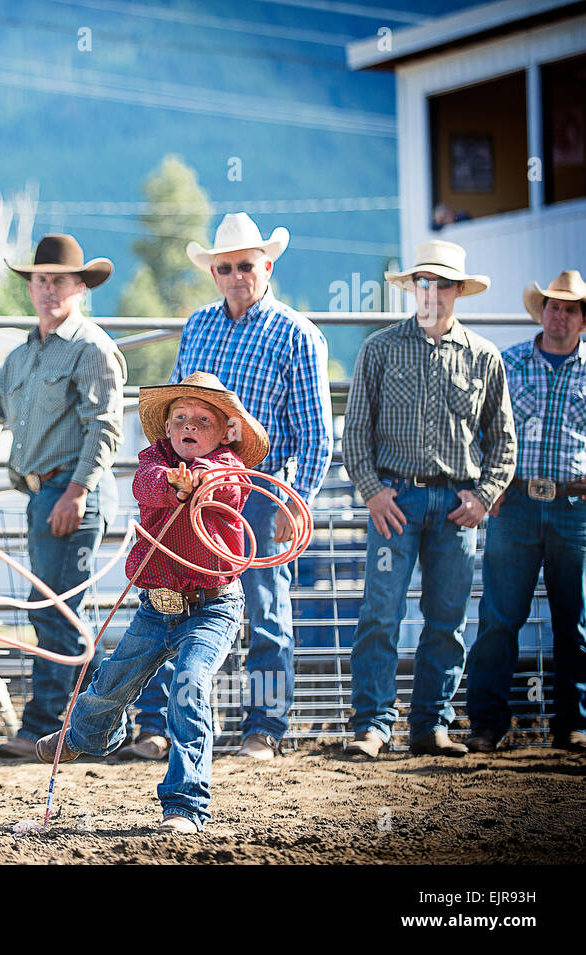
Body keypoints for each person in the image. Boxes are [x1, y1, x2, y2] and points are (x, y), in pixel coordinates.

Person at [125, 213, 332, 762]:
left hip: (260, 494)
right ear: (214, 273)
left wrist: (297, 499)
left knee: (265, 607)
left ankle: (264, 727)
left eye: (247, 265)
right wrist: (171, 475)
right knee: (172, 592)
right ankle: (158, 725)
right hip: (191, 489)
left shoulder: (296, 333)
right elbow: (177, 409)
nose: (237, 274)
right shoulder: (198, 326)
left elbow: (315, 432)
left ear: (266, 266)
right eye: (226, 267)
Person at [36, 372, 268, 833]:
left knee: (190, 684)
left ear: (226, 432)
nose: (190, 424)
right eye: (180, 416)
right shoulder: (152, 462)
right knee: (113, 681)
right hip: (155, 605)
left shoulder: (228, 468)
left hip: (212, 606)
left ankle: (184, 805)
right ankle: (91, 733)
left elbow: (226, 488)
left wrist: (198, 482)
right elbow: (147, 485)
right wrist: (174, 485)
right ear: (166, 427)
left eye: (203, 419)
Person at [0, 234, 126, 757]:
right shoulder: (23, 357)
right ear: (31, 287)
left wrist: (78, 490)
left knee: (54, 610)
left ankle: (49, 726)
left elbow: (105, 427)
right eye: (41, 280)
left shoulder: (91, 348)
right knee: (58, 611)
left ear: (78, 288)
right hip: (45, 494)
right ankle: (102, 723)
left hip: (71, 493)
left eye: (59, 280)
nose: (49, 289)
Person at [342, 240, 515, 759]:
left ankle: (430, 726)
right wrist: (373, 493)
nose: (432, 293)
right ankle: (372, 725)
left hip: (456, 507)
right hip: (395, 499)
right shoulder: (380, 348)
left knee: (448, 618)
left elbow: (503, 439)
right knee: (380, 612)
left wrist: (484, 497)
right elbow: (356, 433)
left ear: (458, 291)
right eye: (424, 283)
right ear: (412, 287)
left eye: (442, 284)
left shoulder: (484, 357)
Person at [467, 270, 586, 754]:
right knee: (499, 617)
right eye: (553, 306)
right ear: (542, 311)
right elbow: (479, 429)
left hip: (575, 504)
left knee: (574, 621)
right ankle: (487, 724)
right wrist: (488, 484)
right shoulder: (509, 363)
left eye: (571, 308)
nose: (560, 315)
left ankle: (572, 725)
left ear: (582, 318)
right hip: (511, 500)